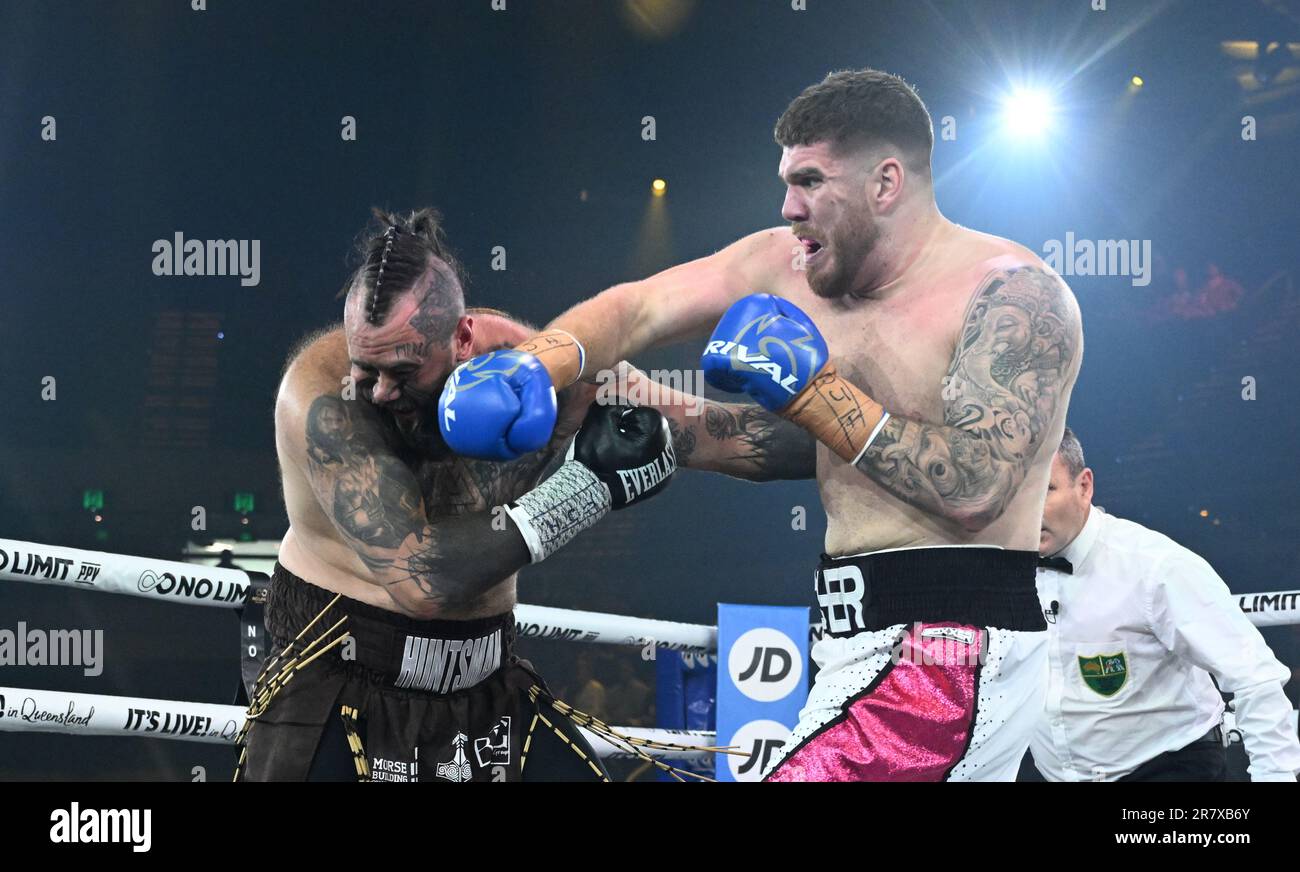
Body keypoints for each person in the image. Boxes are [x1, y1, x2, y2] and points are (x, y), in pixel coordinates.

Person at [439, 69, 1084, 781]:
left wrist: (812, 390)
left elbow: (975, 488)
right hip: (855, 645)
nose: (789, 207)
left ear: (886, 182)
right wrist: (547, 366)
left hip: (945, 650)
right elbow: (639, 309)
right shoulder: (790, 266)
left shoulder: (1012, 294)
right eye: (786, 181)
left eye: (810, 181)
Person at [238, 207, 676, 782]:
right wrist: (586, 489)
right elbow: (425, 583)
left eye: (404, 370)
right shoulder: (324, 396)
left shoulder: (531, 372)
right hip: (337, 678)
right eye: (367, 368)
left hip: (483, 684)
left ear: (462, 340)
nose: (382, 391)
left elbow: (714, 437)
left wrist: (810, 399)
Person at [1032, 428, 1300, 781]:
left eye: (1044, 490)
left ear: (1084, 486)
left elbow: (1254, 675)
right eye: (1017, 495)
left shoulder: (1155, 565)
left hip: (1170, 770)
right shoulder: (999, 568)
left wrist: (1275, 778)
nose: (1028, 509)